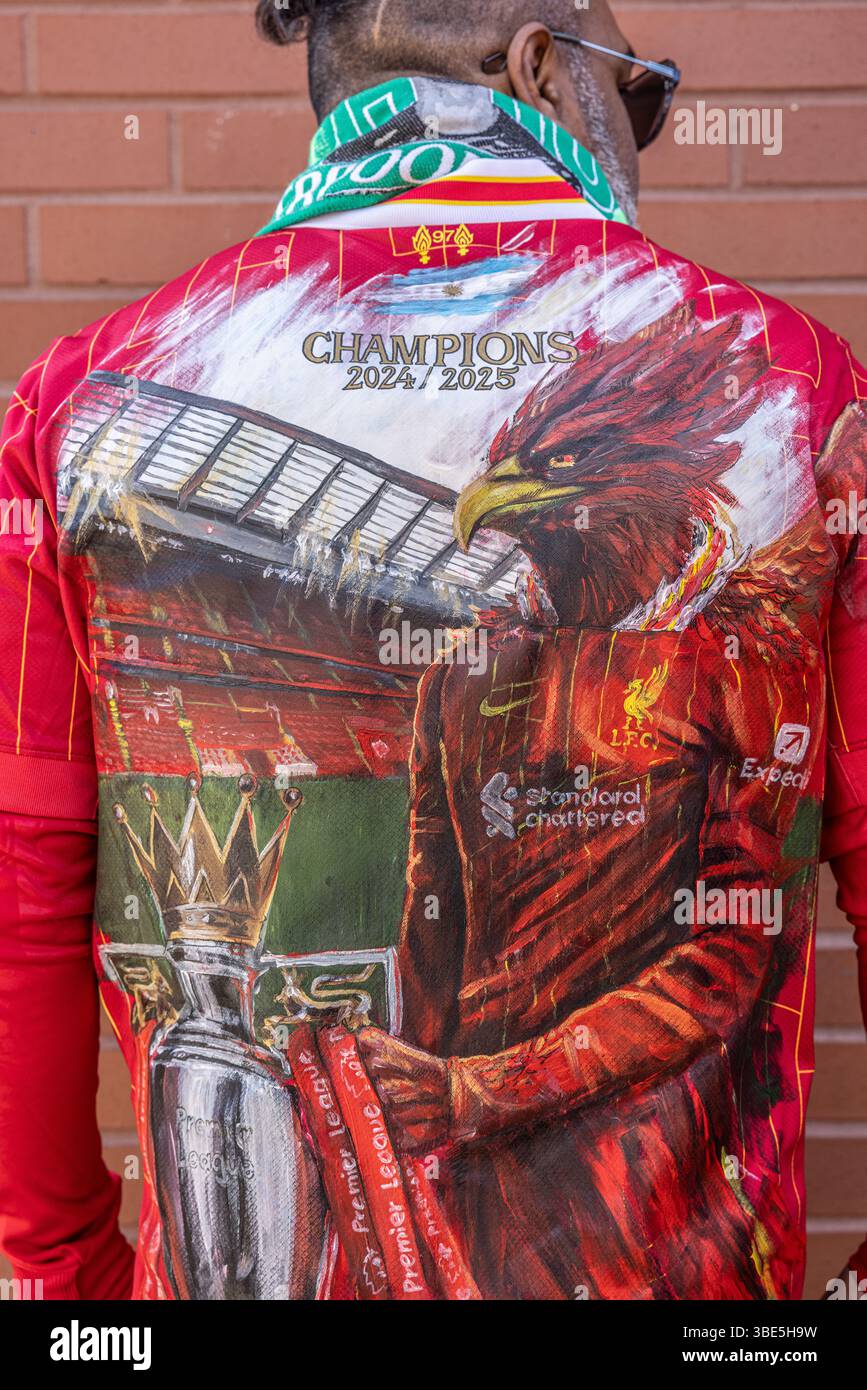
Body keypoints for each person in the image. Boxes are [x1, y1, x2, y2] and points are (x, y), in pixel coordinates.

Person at [0, 0, 864, 1301]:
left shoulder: (79, 406)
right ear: (541, 66)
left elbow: (19, 903)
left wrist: (68, 1288)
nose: (643, 143)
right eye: (640, 100)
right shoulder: (805, 400)